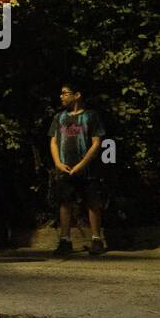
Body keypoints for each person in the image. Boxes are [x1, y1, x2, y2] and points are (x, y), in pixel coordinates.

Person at [48, 81, 107, 256]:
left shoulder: (91, 116)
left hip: (87, 170)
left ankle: (97, 239)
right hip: (65, 168)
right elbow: (53, 141)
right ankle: (65, 240)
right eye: (61, 93)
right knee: (65, 202)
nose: (61, 96)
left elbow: (97, 142)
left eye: (65, 93)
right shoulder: (59, 117)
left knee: (92, 202)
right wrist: (58, 163)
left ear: (77, 95)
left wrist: (82, 164)